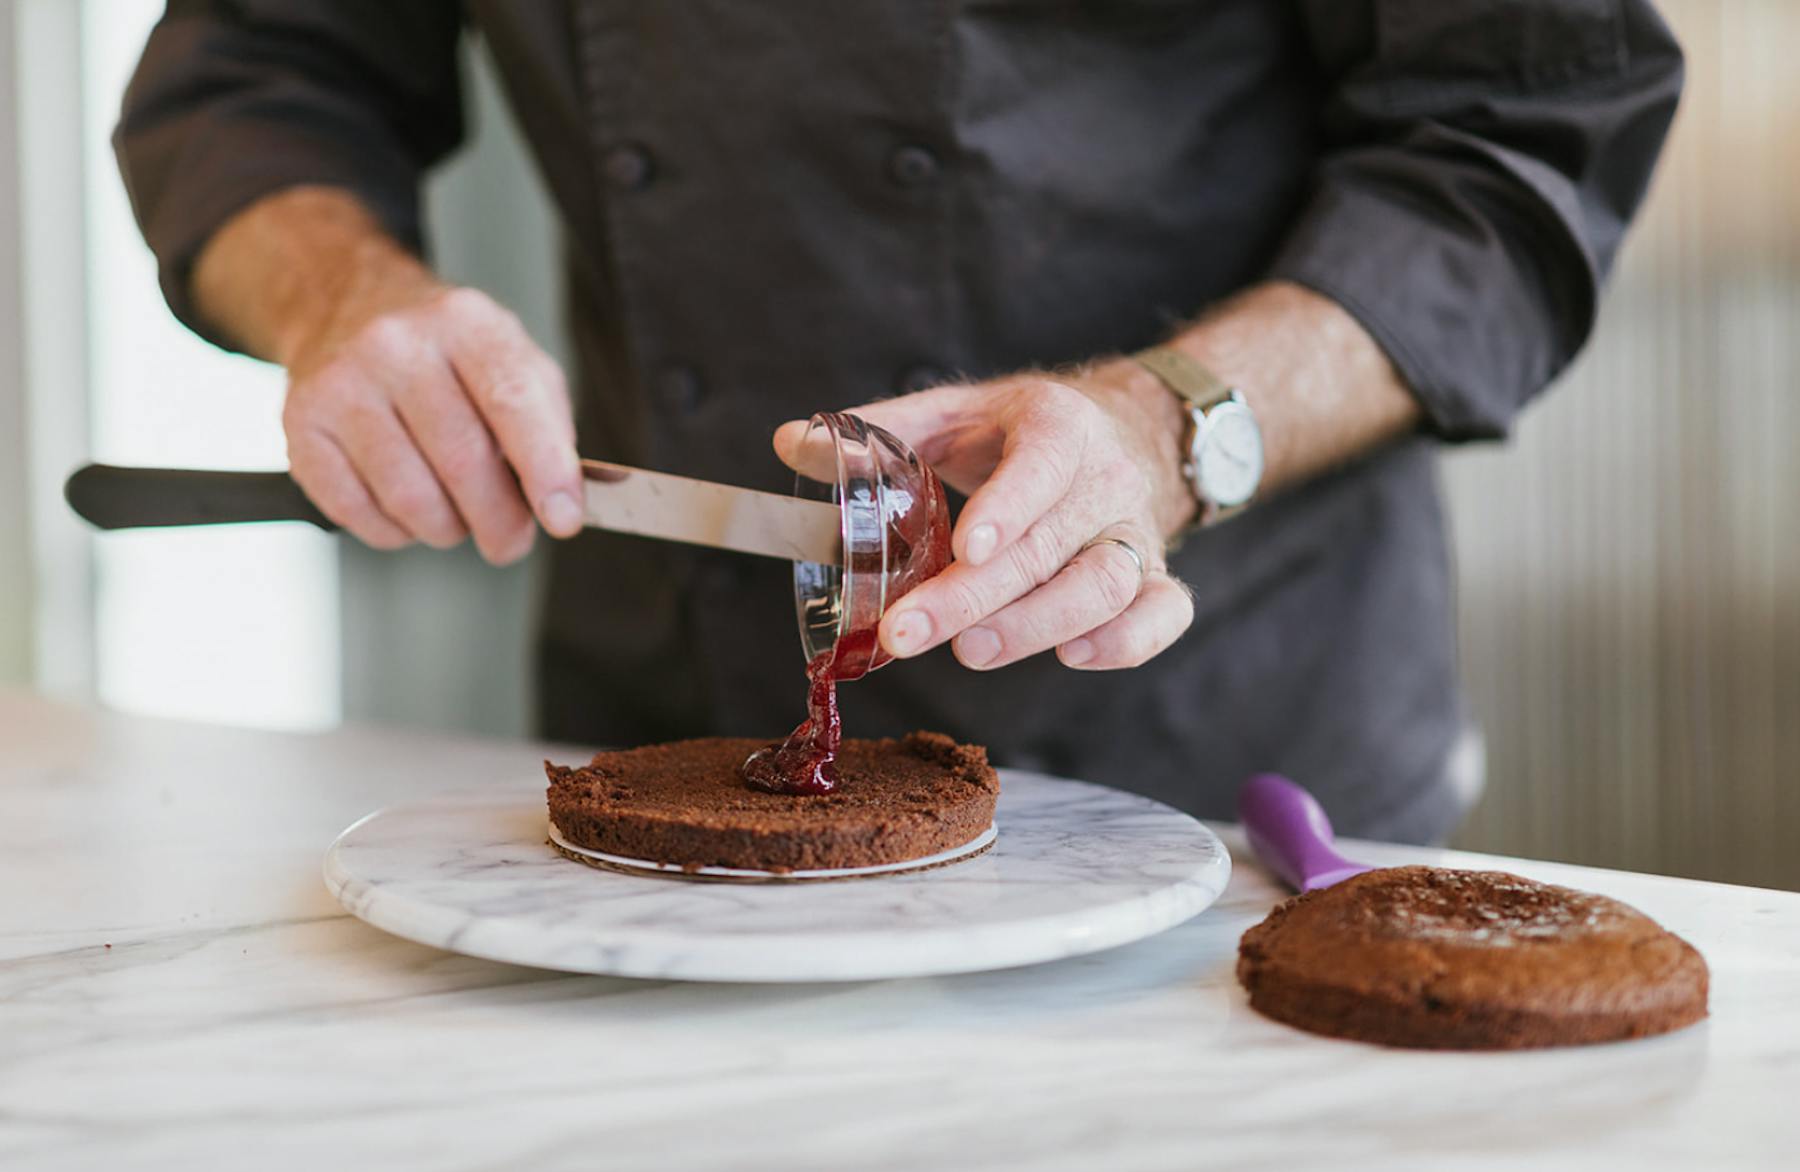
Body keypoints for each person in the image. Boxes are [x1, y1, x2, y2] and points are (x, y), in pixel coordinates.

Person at [116, 2, 1683, 843]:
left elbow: (1518, 135)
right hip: (655, 718)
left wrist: (1164, 422)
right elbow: (254, 73)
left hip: (1211, 743)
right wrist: (337, 297)